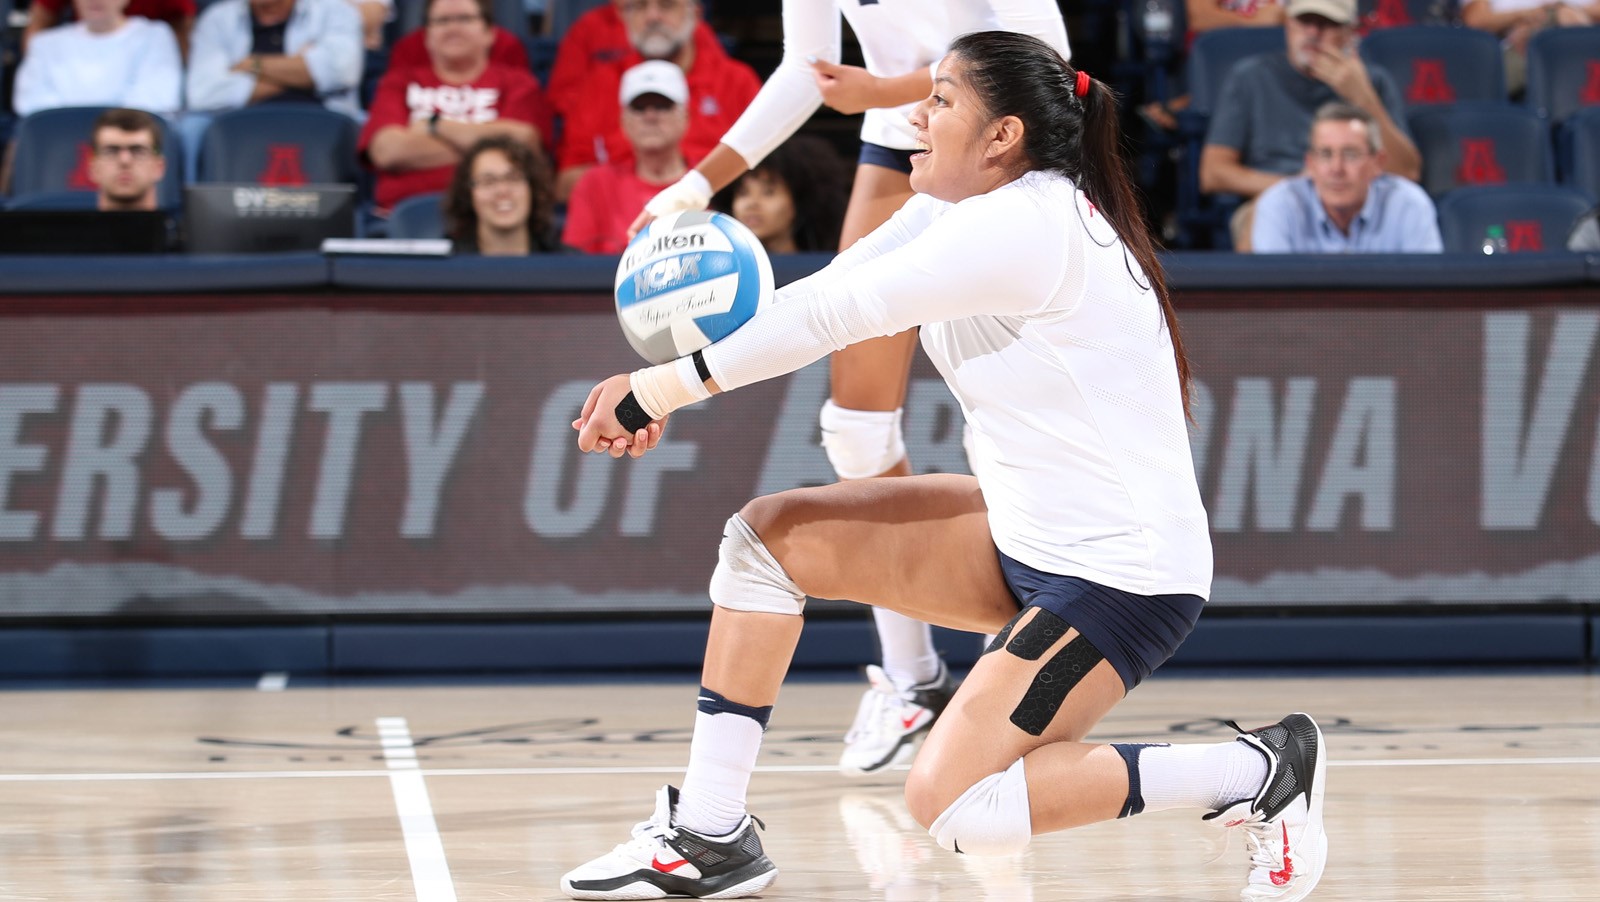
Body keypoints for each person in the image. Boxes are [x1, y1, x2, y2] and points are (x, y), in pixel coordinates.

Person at [562, 31, 1328, 902]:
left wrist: (656, 389)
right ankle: (710, 833)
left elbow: (836, 315)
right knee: (765, 545)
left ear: (1002, 136)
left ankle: (1257, 768)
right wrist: (668, 379)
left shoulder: (1029, 222)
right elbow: (824, 292)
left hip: (1121, 575)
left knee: (958, 803)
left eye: (940, 101)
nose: (913, 117)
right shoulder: (962, 207)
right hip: (1020, 535)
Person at [628, 0, 1070, 779]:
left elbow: (1047, 58)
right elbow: (810, 71)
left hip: (1013, 152)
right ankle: (913, 677)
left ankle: (1058, 618)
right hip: (901, 147)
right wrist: (699, 185)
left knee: (1014, 392)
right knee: (855, 427)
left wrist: (897, 88)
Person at [1199, 0, 1421, 251]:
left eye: (1327, 24)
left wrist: (1363, 97)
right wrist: (1300, 186)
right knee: (1263, 212)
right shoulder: (1250, 77)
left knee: (1408, 206)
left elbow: (1407, 173)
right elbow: (1213, 173)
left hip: (1359, 197)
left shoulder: (1373, 81)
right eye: (1304, 21)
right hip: (1277, 194)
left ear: (1350, 32)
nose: (1313, 33)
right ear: (1287, 24)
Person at [359, 0, 553, 216]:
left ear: (490, 32)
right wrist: (488, 138)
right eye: (442, 21)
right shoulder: (398, 82)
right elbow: (386, 151)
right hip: (403, 216)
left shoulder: (518, 83)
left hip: (496, 213)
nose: (453, 28)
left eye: (464, 18)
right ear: (426, 36)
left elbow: (523, 145)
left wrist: (434, 125)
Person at [552, 0, 760, 200]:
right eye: (640, 5)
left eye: (667, 4)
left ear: (695, 14)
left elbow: (767, 173)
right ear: (625, 16)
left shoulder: (737, 82)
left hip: (715, 216)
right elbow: (566, 184)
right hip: (622, 224)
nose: (652, 16)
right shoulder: (597, 85)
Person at [1251, 101, 1441, 252]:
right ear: (1311, 163)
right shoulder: (1280, 205)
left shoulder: (1408, 204)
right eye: (1325, 154)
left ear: (1378, 163)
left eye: (1351, 155)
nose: (1337, 169)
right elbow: (1276, 297)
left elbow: (1429, 293)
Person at [561, 60, 691, 255]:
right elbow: (577, 267)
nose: (650, 116)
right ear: (624, 122)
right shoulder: (595, 184)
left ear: (685, 117)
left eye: (662, 106)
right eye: (639, 108)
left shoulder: (709, 180)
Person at [185, 0, 364, 118]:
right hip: (241, 123)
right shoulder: (217, 19)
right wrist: (303, 71)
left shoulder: (336, 11)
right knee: (192, 128)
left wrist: (251, 65)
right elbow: (202, 94)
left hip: (325, 119)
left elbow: (343, 72)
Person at [12, 0, 183, 118]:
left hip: (129, 141)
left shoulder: (155, 35)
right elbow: (31, 103)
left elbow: (156, 99)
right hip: (60, 145)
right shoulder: (44, 44)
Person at [714, 134, 850, 254]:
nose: (752, 203)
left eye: (768, 193)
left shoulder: (827, 270)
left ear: (798, 201)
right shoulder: (725, 274)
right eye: (743, 193)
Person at [443, 135, 560, 254]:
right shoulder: (442, 265)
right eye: (488, 181)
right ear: (467, 194)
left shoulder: (567, 264)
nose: (502, 190)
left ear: (533, 188)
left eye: (513, 178)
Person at [1462, 0, 1596, 95]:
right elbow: (1475, 20)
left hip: (1571, 46)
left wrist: (1557, 10)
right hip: (1512, 50)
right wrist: (1524, 16)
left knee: (1565, 17)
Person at [21, 0, 194, 59]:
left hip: (144, 56)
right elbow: (40, 21)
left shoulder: (157, 36)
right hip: (82, 53)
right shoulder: (48, 44)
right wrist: (40, 62)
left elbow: (183, 30)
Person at [88, 108, 168, 211]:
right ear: (93, 168)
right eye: (111, 151)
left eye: (138, 151)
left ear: (159, 167)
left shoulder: (192, 227)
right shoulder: (65, 228)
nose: (125, 161)